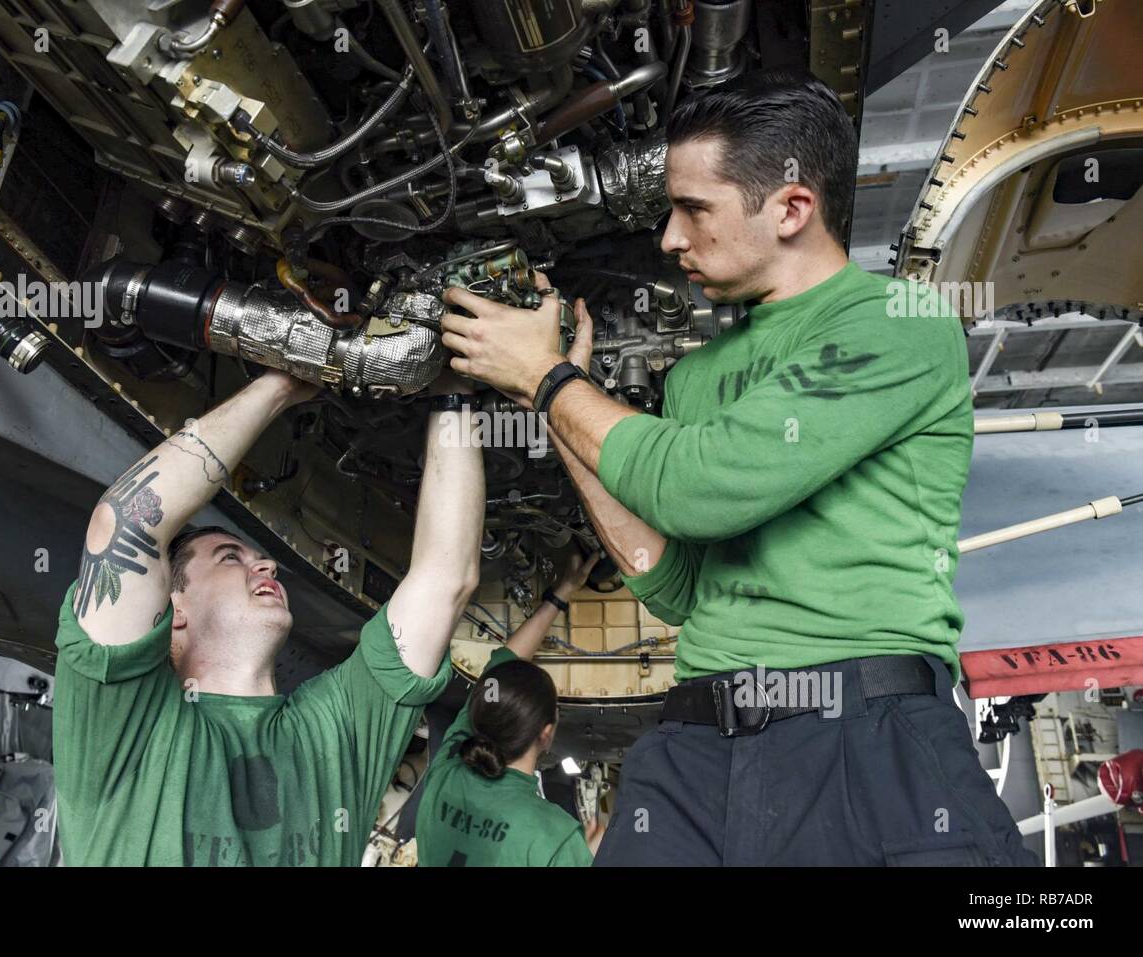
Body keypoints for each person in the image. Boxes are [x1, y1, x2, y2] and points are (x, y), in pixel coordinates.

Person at [437, 69, 1036, 866]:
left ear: (791, 207)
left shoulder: (900, 324)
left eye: (694, 210)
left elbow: (698, 487)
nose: (669, 239)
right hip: (692, 747)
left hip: (861, 733)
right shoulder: (694, 375)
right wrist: (557, 405)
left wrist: (550, 382)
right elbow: (675, 579)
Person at [52, 366, 486, 865]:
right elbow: (124, 524)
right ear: (176, 611)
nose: (266, 562)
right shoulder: (126, 731)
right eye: (229, 556)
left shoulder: (336, 726)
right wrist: (282, 382)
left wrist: (453, 388)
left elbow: (445, 576)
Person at [416, 551, 604, 866]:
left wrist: (562, 592)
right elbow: (501, 667)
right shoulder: (557, 838)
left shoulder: (448, 768)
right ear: (546, 734)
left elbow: (503, 664)